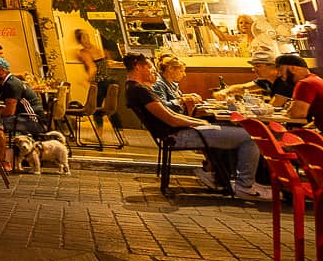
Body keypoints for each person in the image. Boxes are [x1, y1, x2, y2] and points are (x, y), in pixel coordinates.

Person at [122, 53, 270, 199]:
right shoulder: (140, 90)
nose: (154, 70)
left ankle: (221, 177)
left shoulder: (136, 88)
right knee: (250, 137)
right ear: (138, 67)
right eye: (150, 67)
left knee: (228, 128)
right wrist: (201, 123)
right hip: (177, 136)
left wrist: (202, 123)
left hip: (180, 132)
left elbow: (171, 115)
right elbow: (171, 119)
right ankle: (245, 185)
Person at [70, 27, 124, 149]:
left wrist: (88, 79)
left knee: (95, 108)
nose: (86, 39)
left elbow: (92, 67)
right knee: (111, 108)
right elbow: (105, 61)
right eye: (84, 37)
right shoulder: (97, 48)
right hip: (111, 80)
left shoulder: (83, 52)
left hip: (100, 82)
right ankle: (121, 135)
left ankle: (99, 134)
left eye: (86, 36)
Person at [0, 56, 41, 139]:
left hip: (33, 120)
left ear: (2, 71)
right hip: (22, 117)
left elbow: (9, 111)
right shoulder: (5, 83)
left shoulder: (12, 84)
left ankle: (0, 152)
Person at [280, 55, 320, 126]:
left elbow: (297, 114)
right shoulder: (316, 79)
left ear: (293, 68)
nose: (279, 74)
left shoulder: (305, 83)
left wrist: (291, 110)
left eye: (281, 70)